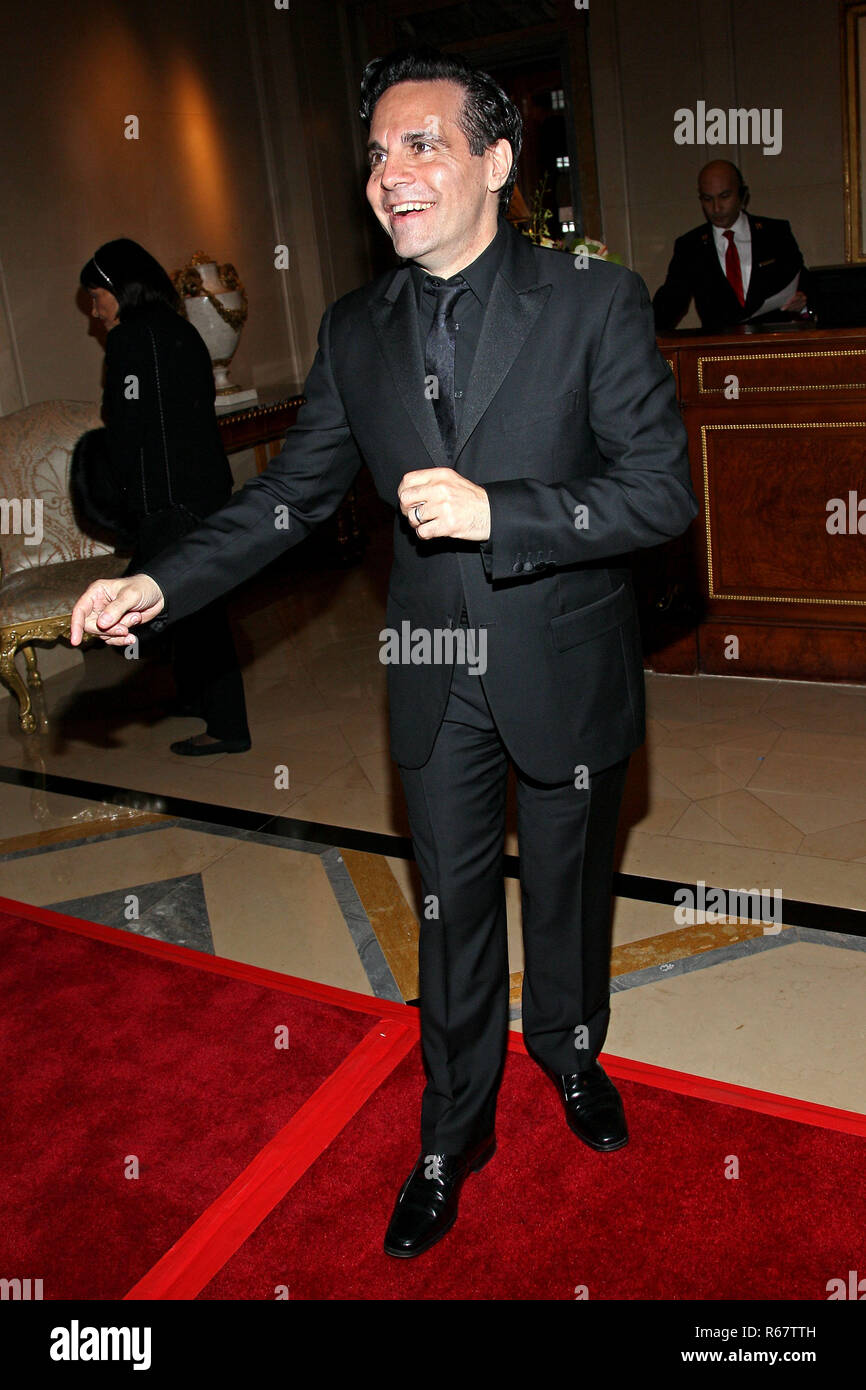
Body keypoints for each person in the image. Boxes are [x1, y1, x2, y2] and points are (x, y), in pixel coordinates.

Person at [72, 49, 698, 1258]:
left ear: (496, 164)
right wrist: (156, 580)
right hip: (429, 670)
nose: (390, 175)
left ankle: (569, 1055)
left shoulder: (590, 299)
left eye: (422, 146)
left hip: (563, 658)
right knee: (451, 907)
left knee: (566, 890)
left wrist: (499, 511)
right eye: (375, 154)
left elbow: (660, 494)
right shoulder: (354, 328)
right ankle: (449, 1132)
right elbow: (287, 504)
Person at [80, 239, 251, 755]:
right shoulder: (180, 330)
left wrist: (128, 496)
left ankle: (227, 728)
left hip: (172, 498)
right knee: (185, 601)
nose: (94, 309)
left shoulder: (133, 338)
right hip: (200, 488)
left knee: (197, 611)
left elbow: (131, 428)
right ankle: (198, 698)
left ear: (117, 288)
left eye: (96, 296)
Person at [653, 159, 808, 331]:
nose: (716, 208)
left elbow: (805, 285)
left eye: (724, 196)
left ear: (743, 195)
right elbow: (669, 305)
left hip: (773, 343)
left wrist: (802, 303)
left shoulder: (774, 234)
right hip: (719, 350)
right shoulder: (691, 246)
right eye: (707, 199)